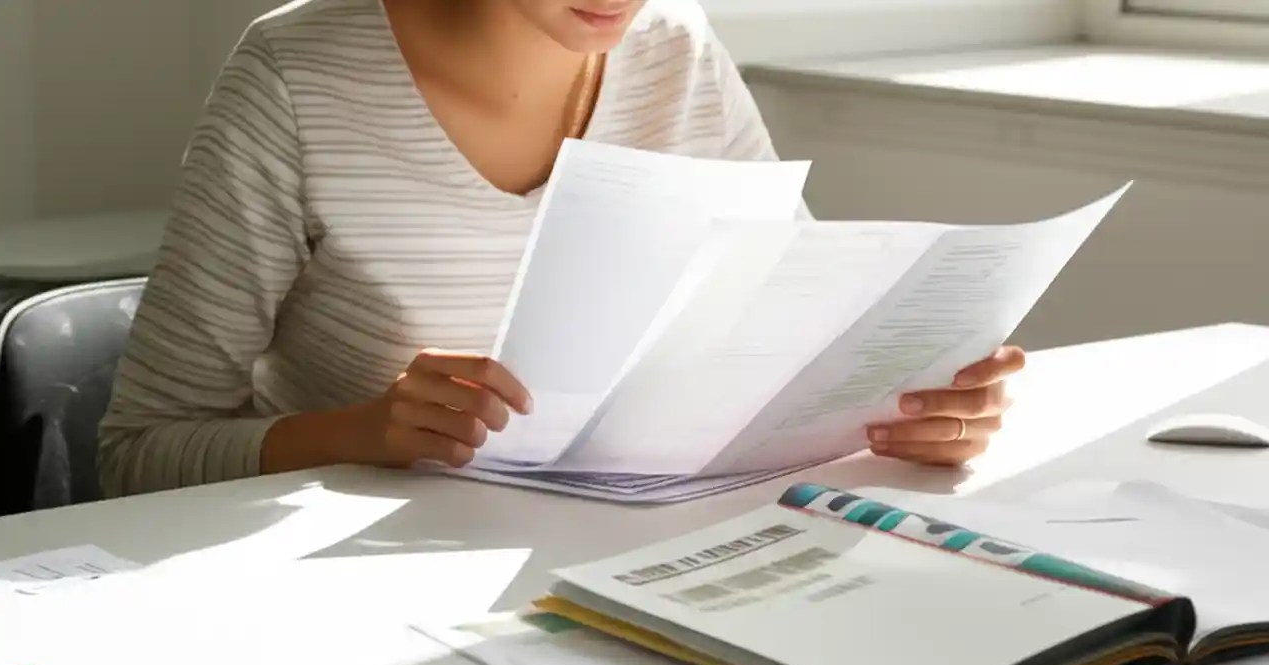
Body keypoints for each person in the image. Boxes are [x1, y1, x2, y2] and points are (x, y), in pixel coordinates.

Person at [97, 0, 1026, 497]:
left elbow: (799, 351)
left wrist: (907, 413)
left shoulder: (676, 48)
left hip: (616, 568)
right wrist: (363, 433)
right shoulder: (294, 78)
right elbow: (136, 454)